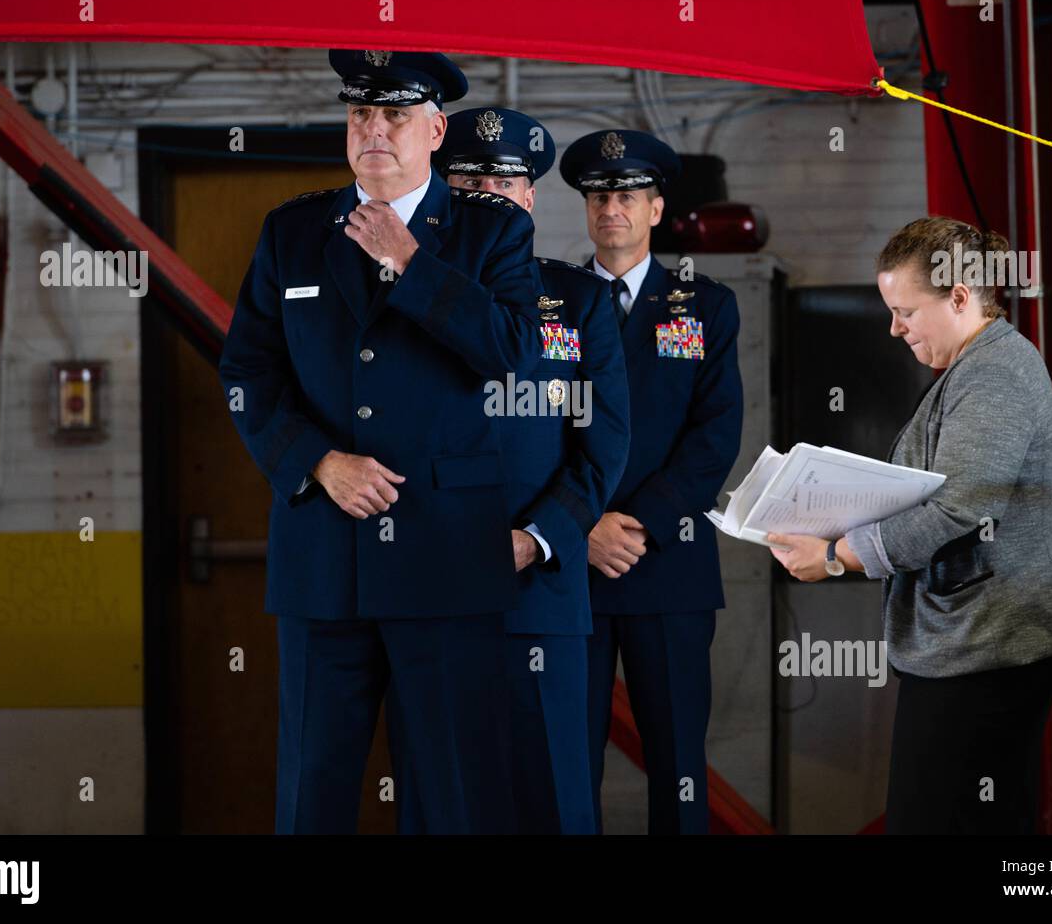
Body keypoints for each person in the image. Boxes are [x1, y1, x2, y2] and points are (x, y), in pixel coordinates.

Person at [219, 50, 544, 834]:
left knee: (455, 795)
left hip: (444, 555)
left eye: (396, 116)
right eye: (362, 114)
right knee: (312, 791)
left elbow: (511, 347)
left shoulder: (490, 231)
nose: (375, 131)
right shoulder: (293, 230)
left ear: (435, 130)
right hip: (324, 557)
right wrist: (316, 462)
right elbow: (247, 373)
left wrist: (411, 261)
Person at [768, 216, 1052, 835]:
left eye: (905, 310)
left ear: (961, 298)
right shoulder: (974, 370)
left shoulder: (995, 374)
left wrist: (838, 555)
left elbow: (958, 509)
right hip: (972, 640)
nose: (895, 328)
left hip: (990, 642)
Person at [387, 107, 631, 834]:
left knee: (553, 797)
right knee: (439, 803)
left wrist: (538, 536)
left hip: (539, 592)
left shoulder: (580, 301)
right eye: (468, 177)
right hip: (425, 587)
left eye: (506, 179)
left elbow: (604, 444)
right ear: (440, 186)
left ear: (530, 197)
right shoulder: (393, 294)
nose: (488, 191)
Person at [560, 129, 744, 834]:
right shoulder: (551, 305)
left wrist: (637, 525)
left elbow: (715, 434)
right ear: (586, 208)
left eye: (629, 195)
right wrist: (584, 525)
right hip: (571, 562)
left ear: (657, 208)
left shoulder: (704, 306)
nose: (613, 208)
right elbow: (535, 431)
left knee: (678, 764)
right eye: (601, 195)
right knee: (569, 758)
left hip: (666, 560)